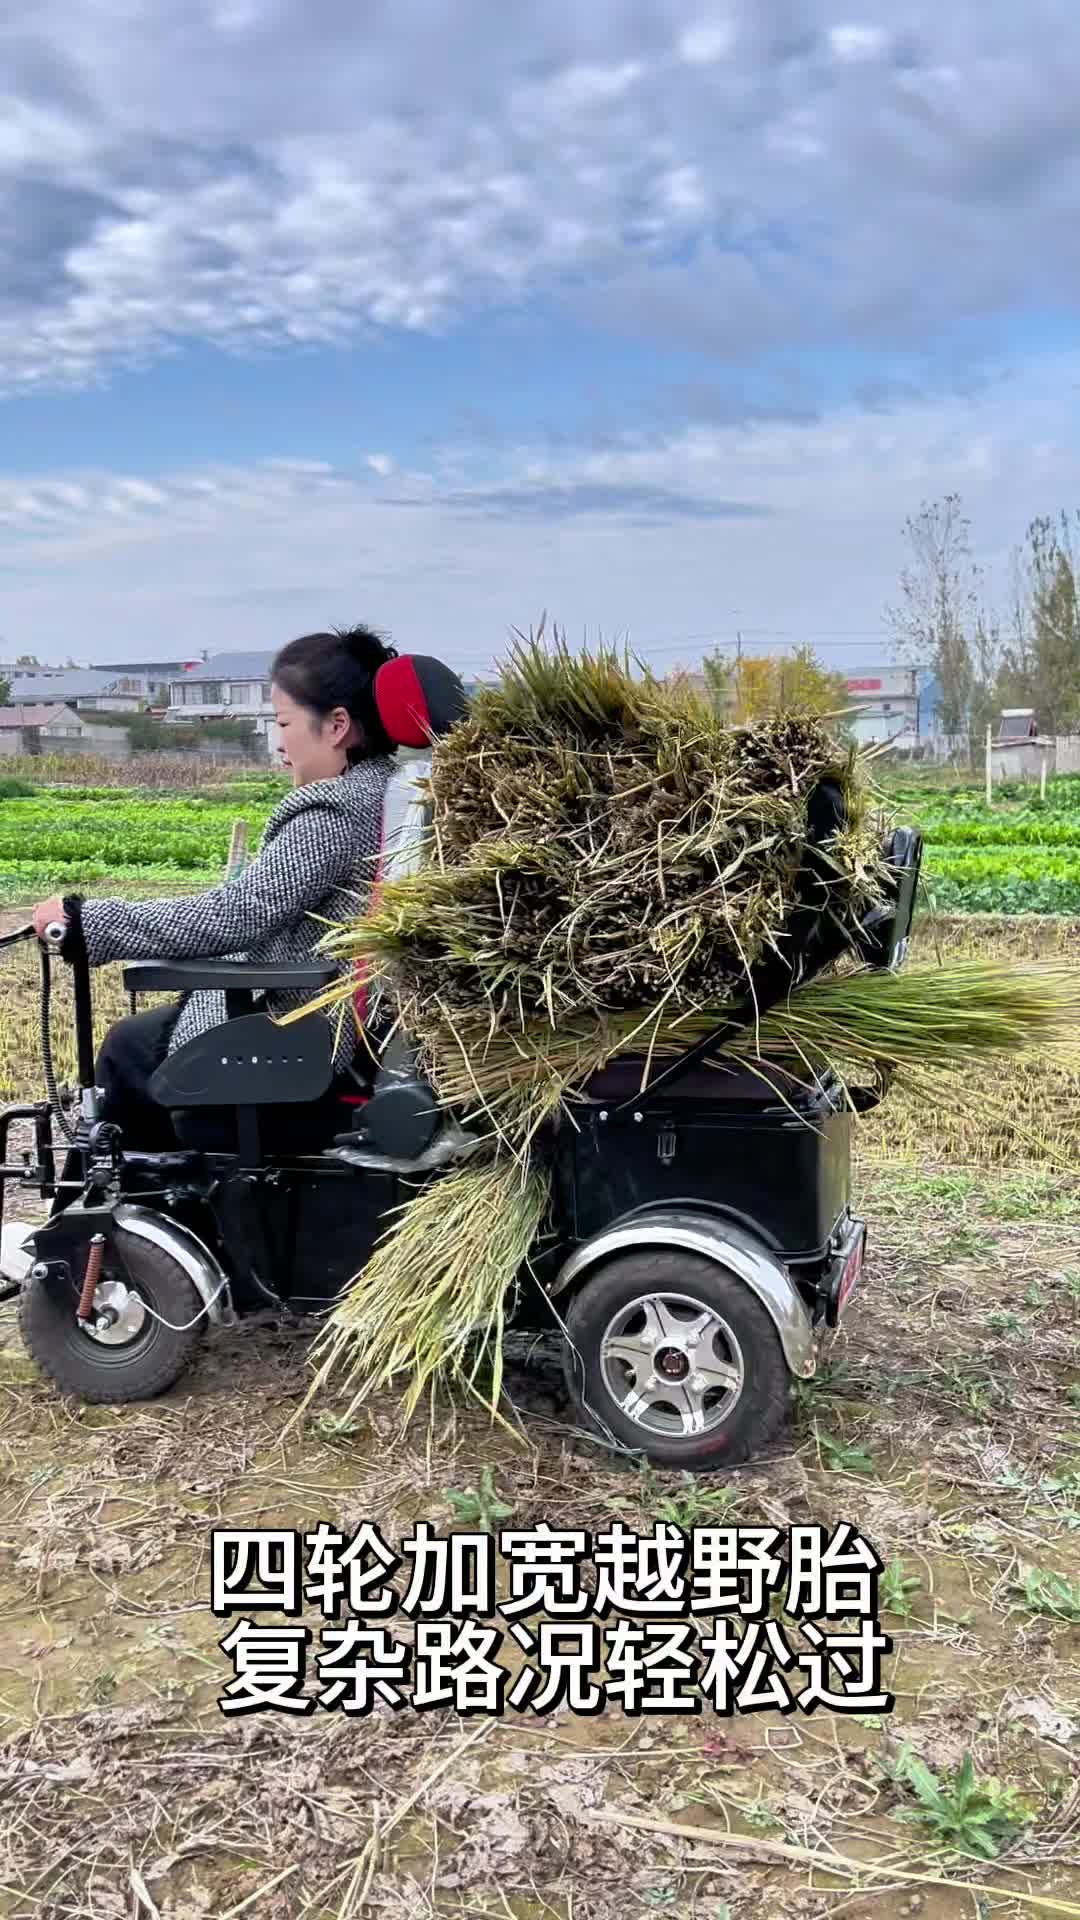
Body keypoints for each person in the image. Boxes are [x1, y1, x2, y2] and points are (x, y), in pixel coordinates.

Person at [31, 626, 465, 1167]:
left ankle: (101, 1228)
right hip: (322, 1022)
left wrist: (84, 922)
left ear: (336, 726)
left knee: (127, 1051)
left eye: (284, 724)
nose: (280, 744)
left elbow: (240, 915)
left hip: (303, 1034)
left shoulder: (333, 813)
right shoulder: (385, 789)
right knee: (137, 1042)